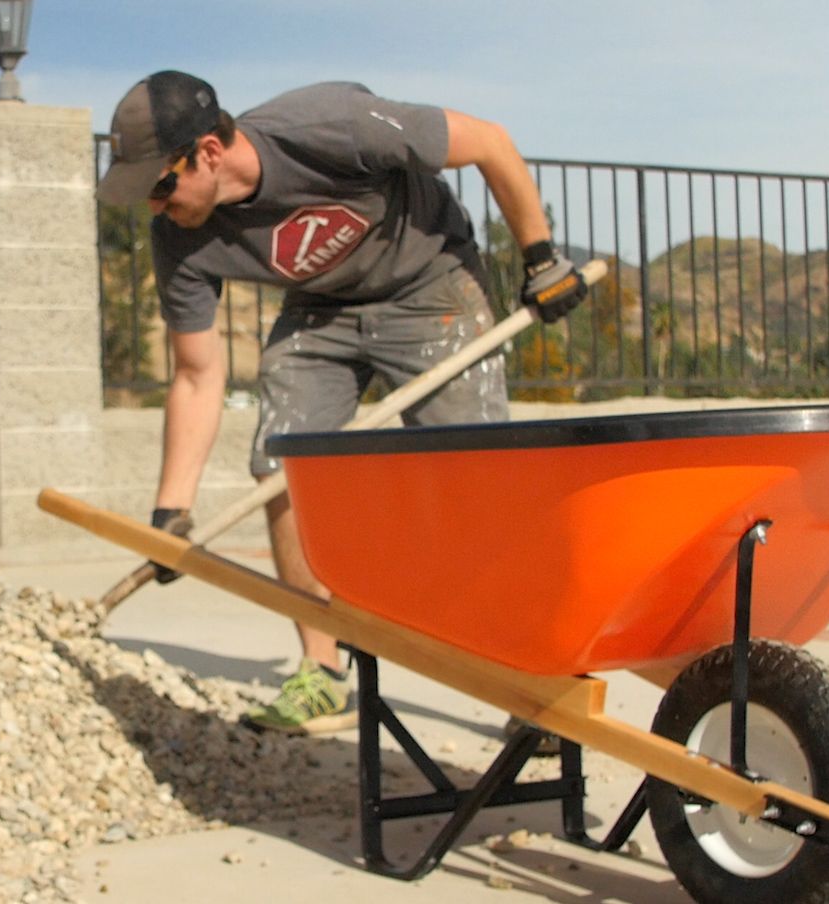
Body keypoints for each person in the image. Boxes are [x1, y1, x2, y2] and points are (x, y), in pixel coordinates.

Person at [97, 71, 587, 735]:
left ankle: (531, 682)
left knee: (478, 483)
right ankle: (322, 671)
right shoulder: (181, 236)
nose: (155, 207)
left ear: (208, 152)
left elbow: (491, 143)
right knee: (281, 467)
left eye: (161, 184)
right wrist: (170, 511)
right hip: (321, 310)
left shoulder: (331, 126)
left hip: (430, 286)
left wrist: (541, 260)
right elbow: (194, 373)